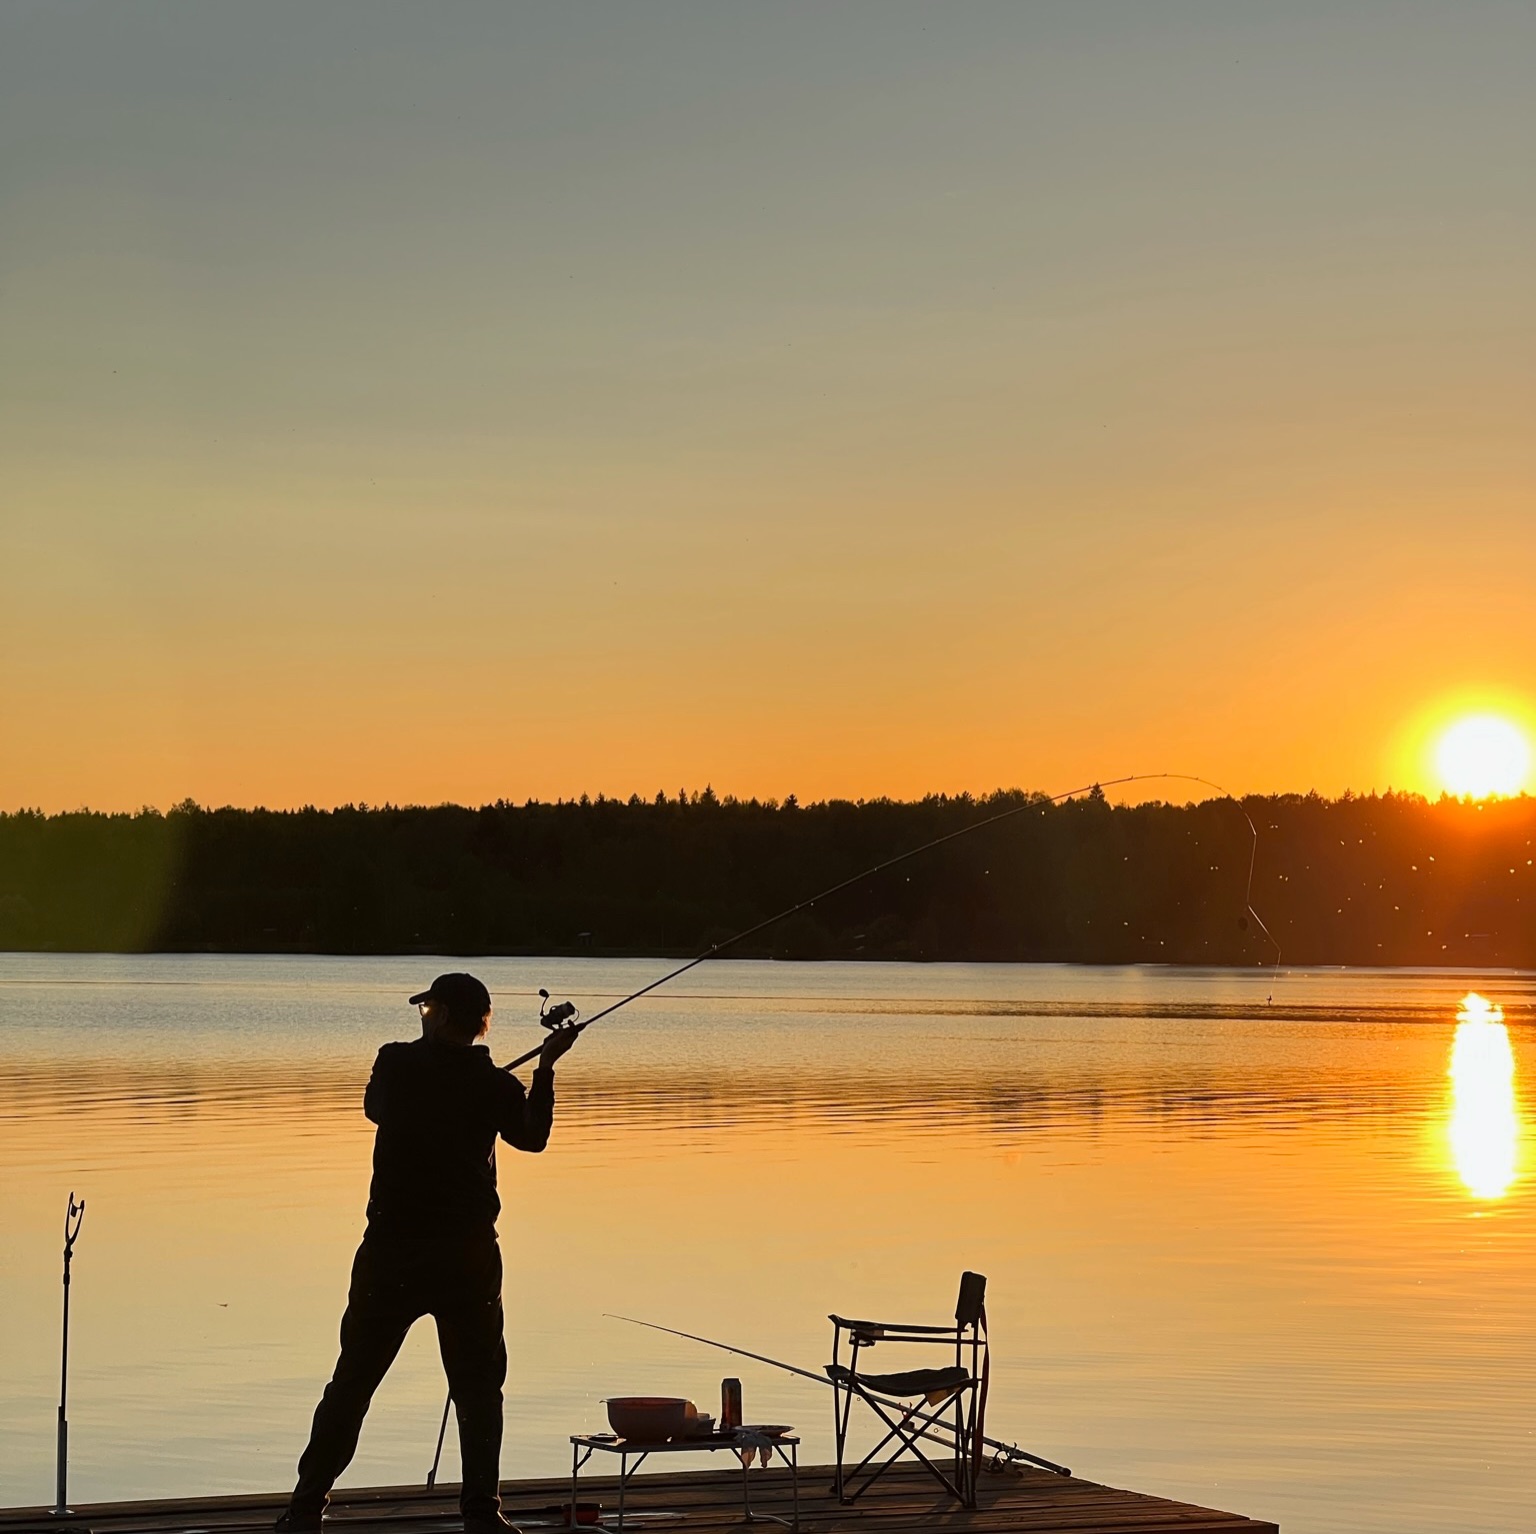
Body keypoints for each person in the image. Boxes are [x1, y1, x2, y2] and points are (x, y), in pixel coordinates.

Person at [277, 972, 579, 1534]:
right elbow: (533, 1136)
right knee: (479, 1389)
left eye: (427, 1011)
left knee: (353, 1381)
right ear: (480, 1024)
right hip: (466, 1256)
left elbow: (376, 1108)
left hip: (392, 1252)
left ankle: (304, 1508)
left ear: (440, 1016)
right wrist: (544, 1068)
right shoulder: (489, 1082)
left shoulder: (395, 1063)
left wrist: (469, 1082)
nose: (423, 1019)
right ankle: (482, 1515)